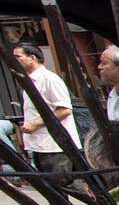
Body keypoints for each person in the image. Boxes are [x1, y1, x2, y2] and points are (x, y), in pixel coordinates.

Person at [11, 43, 81, 196]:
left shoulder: (50, 79)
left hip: (54, 145)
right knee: (51, 191)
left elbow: (64, 109)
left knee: (62, 186)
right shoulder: (28, 82)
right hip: (39, 145)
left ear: (32, 58)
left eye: (17, 57)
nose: (14, 60)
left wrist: (35, 123)